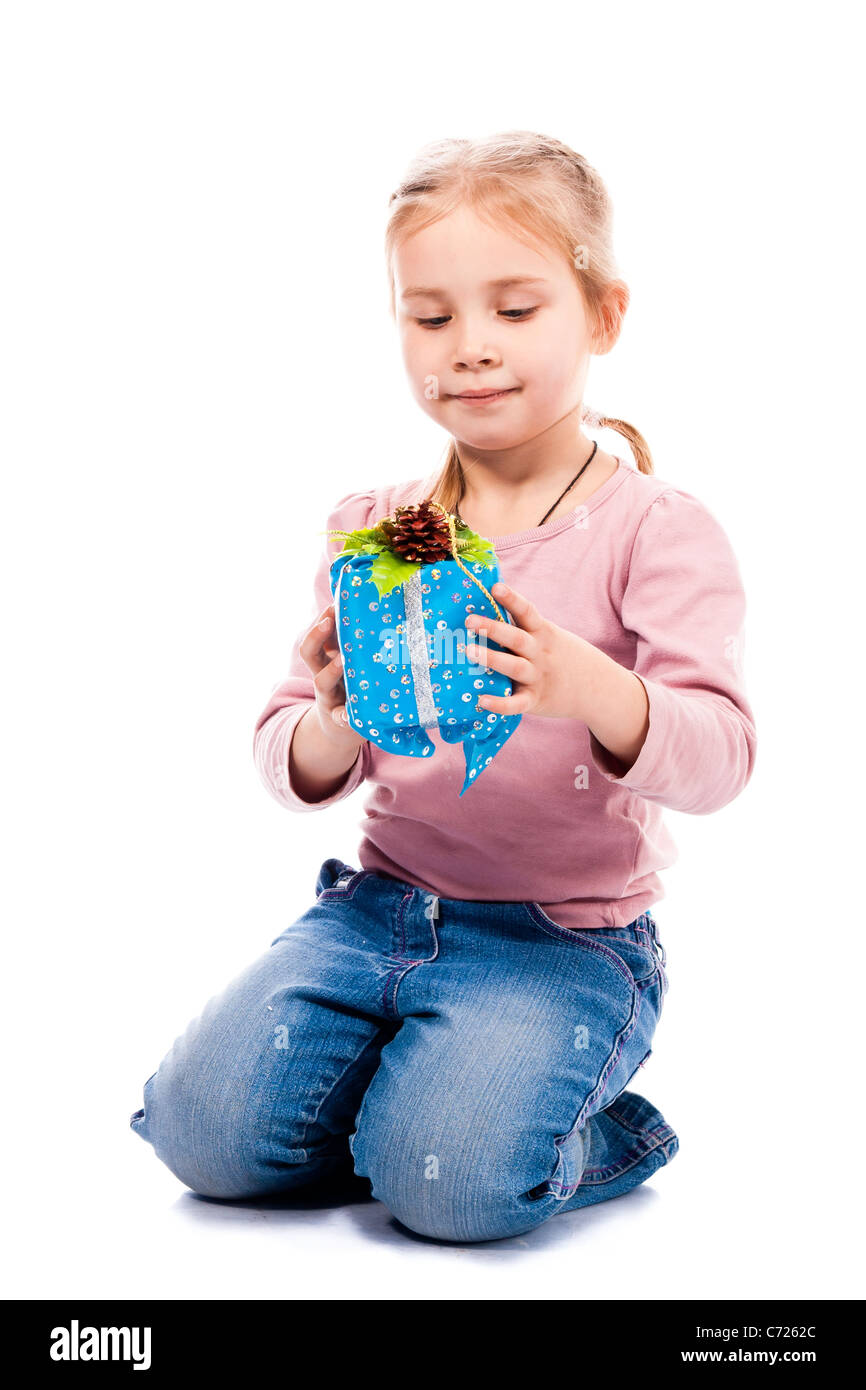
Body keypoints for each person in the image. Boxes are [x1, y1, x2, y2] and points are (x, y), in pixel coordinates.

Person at [130, 131, 757, 1243]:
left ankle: (596, 1128)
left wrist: (590, 686)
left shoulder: (655, 528)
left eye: (515, 311)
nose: (468, 347)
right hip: (375, 910)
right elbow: (288, 750)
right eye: (430, 317)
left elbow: (720, 756)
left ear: (601, 316)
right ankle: (415, 1090)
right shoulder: (374, 529)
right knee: (203, 1136)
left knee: (450, 1190)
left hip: (561, 938)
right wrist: (328, 715)